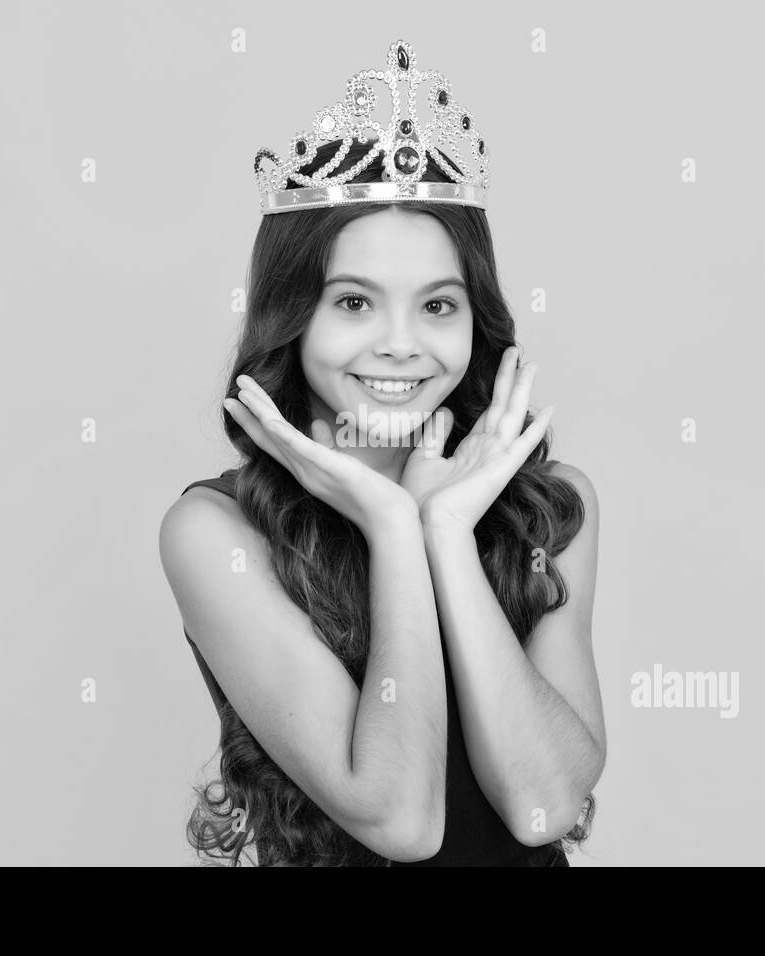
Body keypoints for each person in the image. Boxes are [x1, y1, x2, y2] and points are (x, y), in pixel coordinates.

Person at [159, 39, 605, 866]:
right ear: (293, 318)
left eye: (438, 305)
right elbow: (401, 822)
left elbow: (546, 804)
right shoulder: (213, 533)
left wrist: (449, 536)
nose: (401, 345)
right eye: (355, 302)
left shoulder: (551, 506)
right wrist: (397, 530)